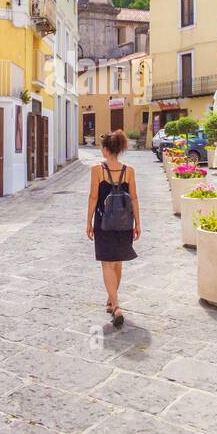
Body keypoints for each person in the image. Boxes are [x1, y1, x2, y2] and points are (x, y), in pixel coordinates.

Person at [85, 130, 140, 328]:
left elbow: (93, 197)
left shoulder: (97, 170)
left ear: (107, 149)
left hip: (104, 223)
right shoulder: (129, 170)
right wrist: (138, 223)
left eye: (102, 147)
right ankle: (111, 298)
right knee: (117, 263)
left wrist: (89, 221)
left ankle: (115, 306)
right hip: (125, 223)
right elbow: (134, 198)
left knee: (107, 264)